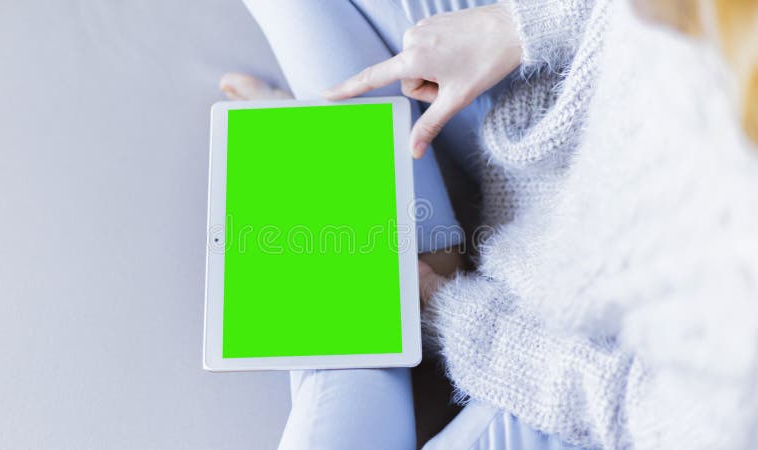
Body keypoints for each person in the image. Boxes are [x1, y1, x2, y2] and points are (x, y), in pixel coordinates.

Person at [326, 0, 758, 447]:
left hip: (549, 335)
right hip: (535, 131)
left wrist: (451, 313)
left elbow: (623, 406)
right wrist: (512, 28)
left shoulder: (736, 380)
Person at [222, 1, 585, 449]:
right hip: (548, 125)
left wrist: (446, 308)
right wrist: (513, 26)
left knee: (349, 333)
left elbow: (615, 399)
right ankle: (320, 156)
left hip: (556, 347)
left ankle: (318, 163)